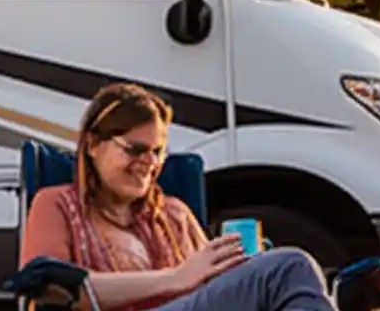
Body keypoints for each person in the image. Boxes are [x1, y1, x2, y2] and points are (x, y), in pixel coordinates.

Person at [19, 82, 335, 311]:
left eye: (158, 152)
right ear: (92, 144)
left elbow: (214, 289)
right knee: (290, 266)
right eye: (135, 149)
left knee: (287, 275)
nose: (149, 162)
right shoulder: (56, 204)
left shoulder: (174, 214)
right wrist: (175, 278)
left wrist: (239, 269)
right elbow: (52, 289)